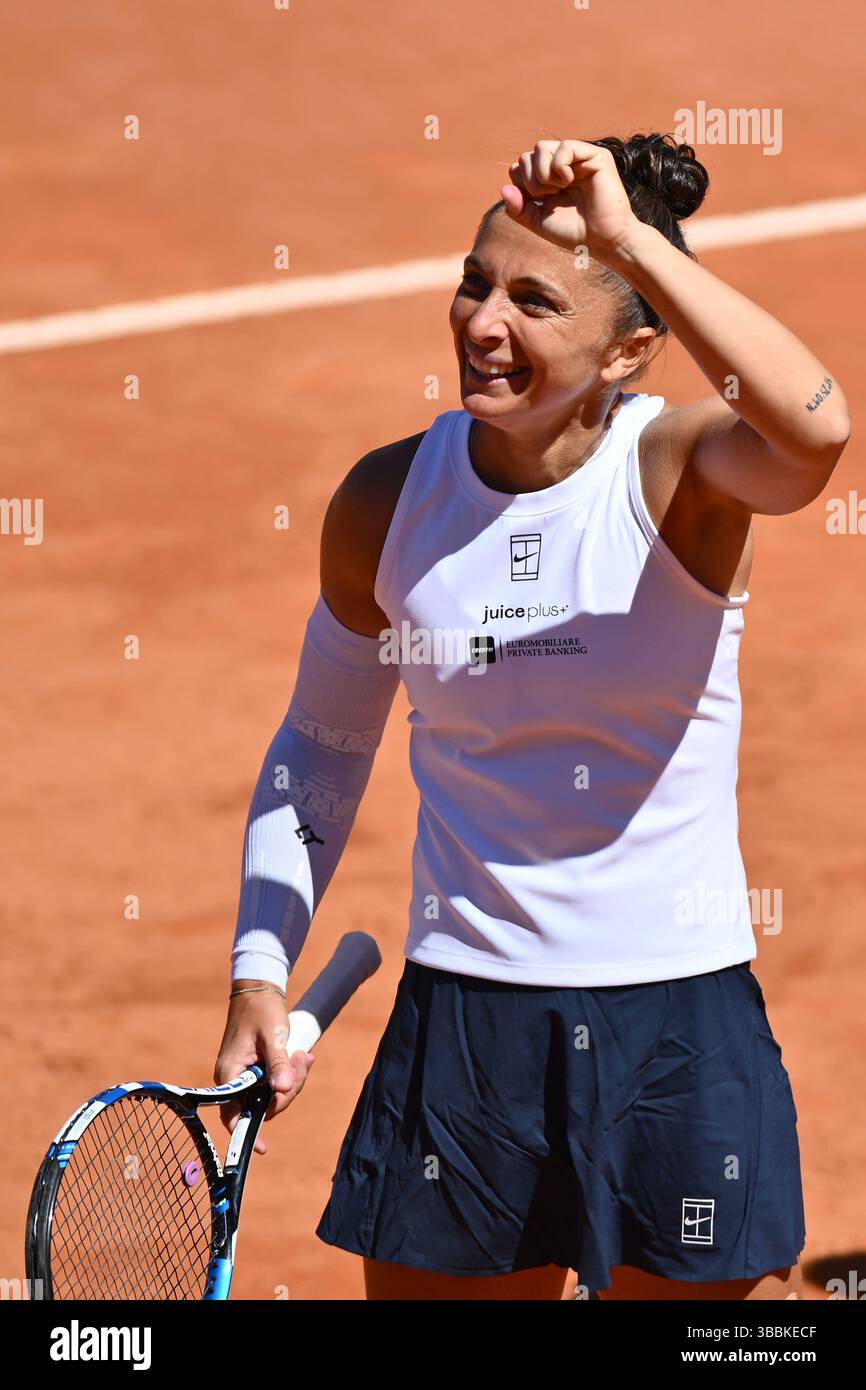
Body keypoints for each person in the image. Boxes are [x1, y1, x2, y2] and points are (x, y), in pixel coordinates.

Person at [214, 134, 850, 1301]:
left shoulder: (677, 470)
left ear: (630, 349)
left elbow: (813, 429)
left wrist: (625, 240)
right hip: (466, 1021)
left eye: (535, 299)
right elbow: (323, 743)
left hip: (675, 1022)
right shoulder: (386, 499)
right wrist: (260, 969)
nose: (482, 322)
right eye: (473, 281)